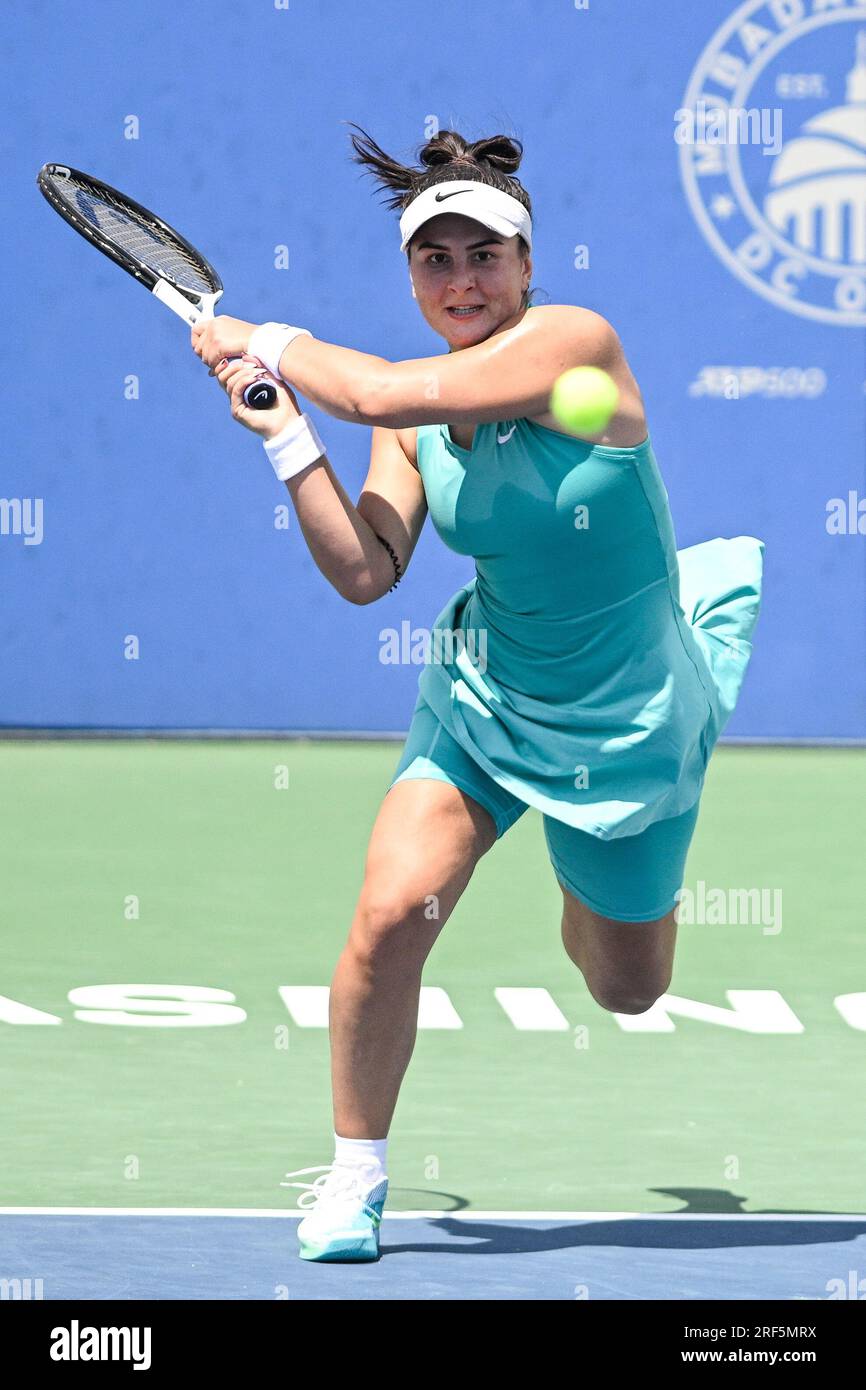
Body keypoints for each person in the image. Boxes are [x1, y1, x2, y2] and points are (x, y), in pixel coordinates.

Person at [190, 125, 764, 1263]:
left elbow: (378, 387)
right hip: (488, 694)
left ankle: (587, 879)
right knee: (391, 911)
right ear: (412, 277)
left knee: (627, 990)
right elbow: (365, 571)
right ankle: (356, 1175)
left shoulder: (571, 344)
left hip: (628, 720)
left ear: (526, 263)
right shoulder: (412, 428)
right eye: (434, 261)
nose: (459, 279)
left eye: (481, 256)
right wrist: (287, 443)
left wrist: (258, 332)